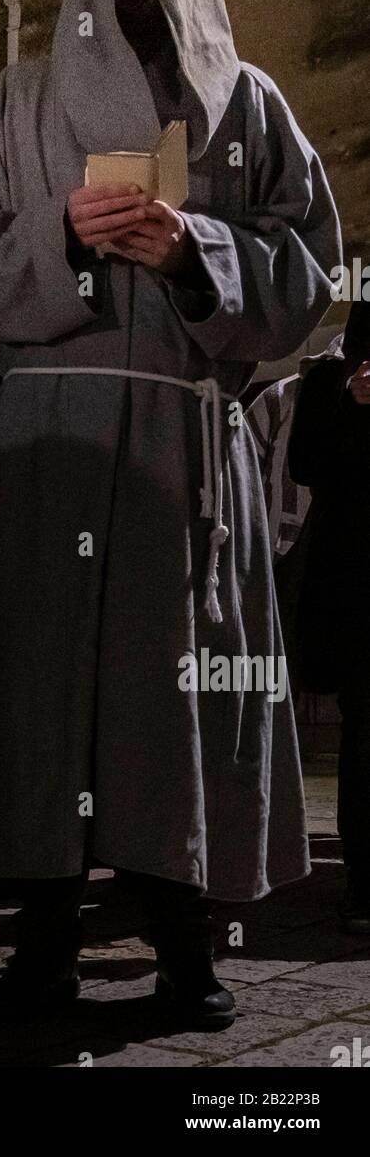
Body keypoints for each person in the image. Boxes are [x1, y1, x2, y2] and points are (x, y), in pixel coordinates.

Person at [0, 0, 341, 1026]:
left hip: (179, 444)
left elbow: (308, 264)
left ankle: (184, 953)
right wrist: (57, 233)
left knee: (177, 702)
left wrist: (196, 248)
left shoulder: (248, 105)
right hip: (53, 442)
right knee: (44, 697)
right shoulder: (15, 100)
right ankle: (42, 948)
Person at [288, 301, 370, 933]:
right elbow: (307, 466)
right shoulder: (328, 379)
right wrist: (351, 406)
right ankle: (363, 882)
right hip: (356, 579)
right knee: (364, 726)